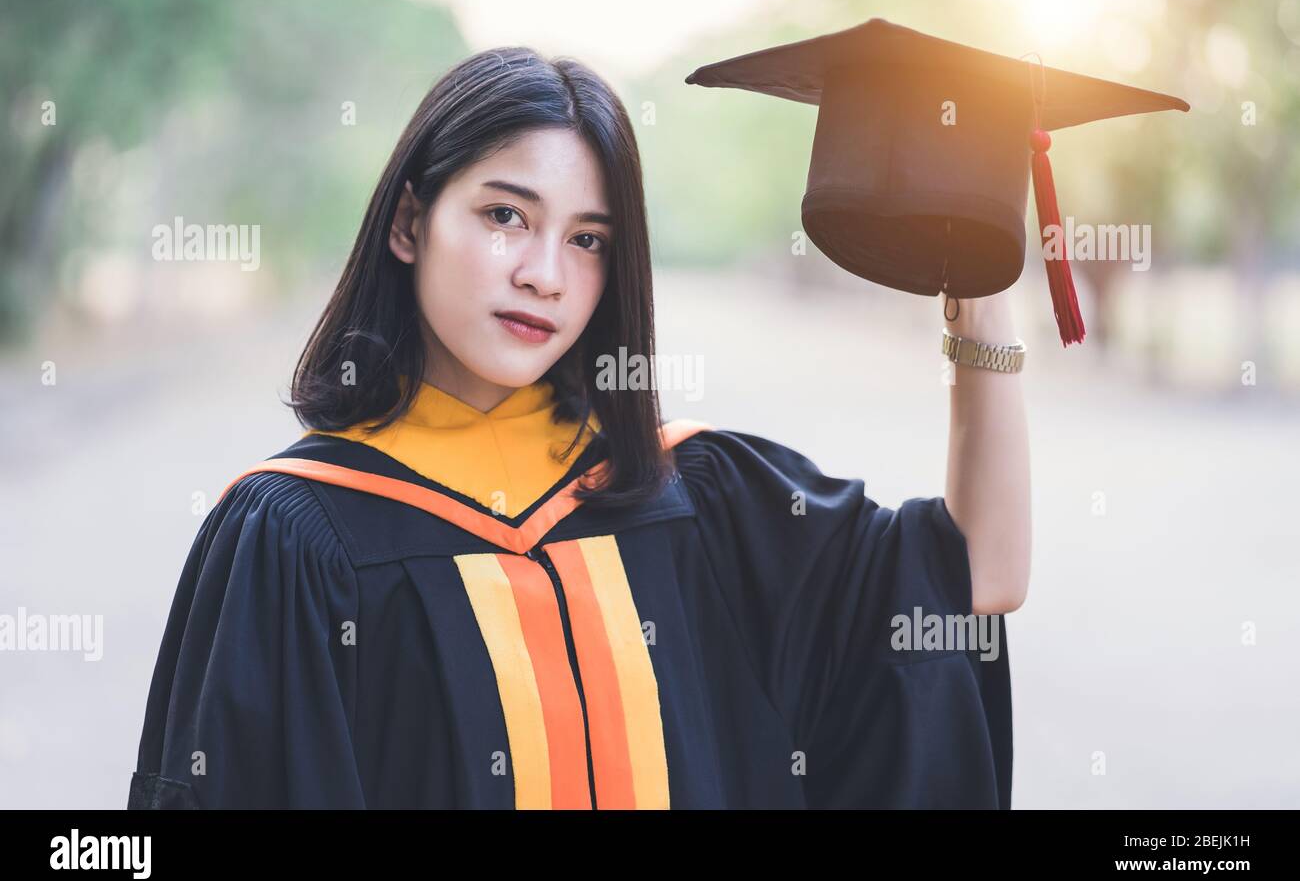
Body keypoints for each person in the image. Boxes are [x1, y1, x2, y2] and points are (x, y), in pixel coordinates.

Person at [127, 46, 1028, 810]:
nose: (544, 275)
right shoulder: (297, 536)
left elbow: (979, 575)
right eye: (505, 216)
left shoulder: (694, 498)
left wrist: (981, 298)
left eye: (588, 238)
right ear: (410, 221)